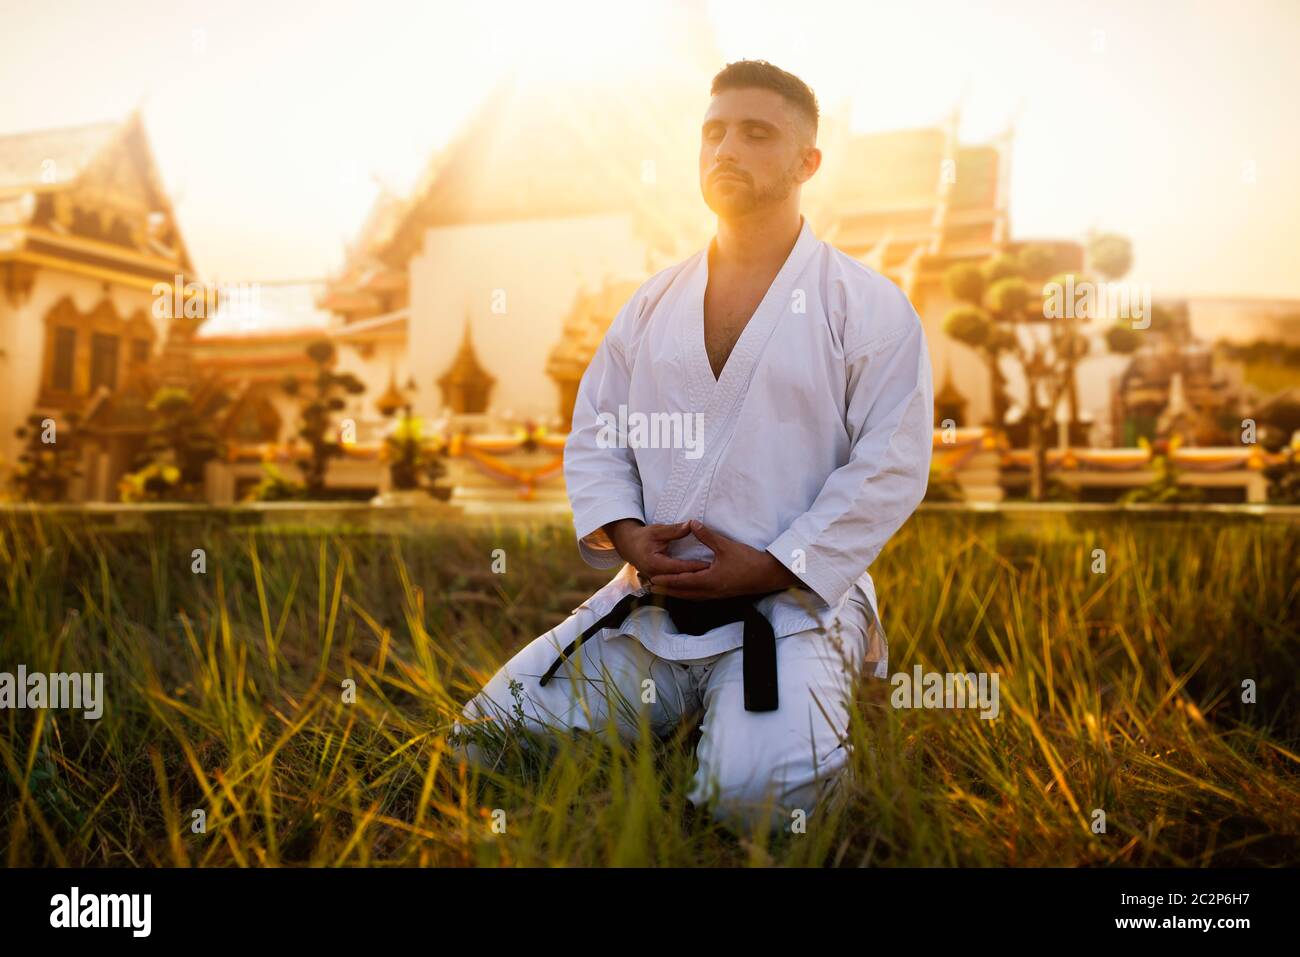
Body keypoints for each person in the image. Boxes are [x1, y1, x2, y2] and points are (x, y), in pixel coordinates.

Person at [451, 59, 934, 834]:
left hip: (790, 611)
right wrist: (629, 533)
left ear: (808, 162)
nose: (725, 149)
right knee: (484, 742)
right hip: (654, 601)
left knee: (761, 807)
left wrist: (776, 563)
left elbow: (893, 463)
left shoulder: (866, 305)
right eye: (712, 132)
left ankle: (777, 713)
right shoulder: (650, 305)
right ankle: (686, 718)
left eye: (756, 133)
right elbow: (597, 433)